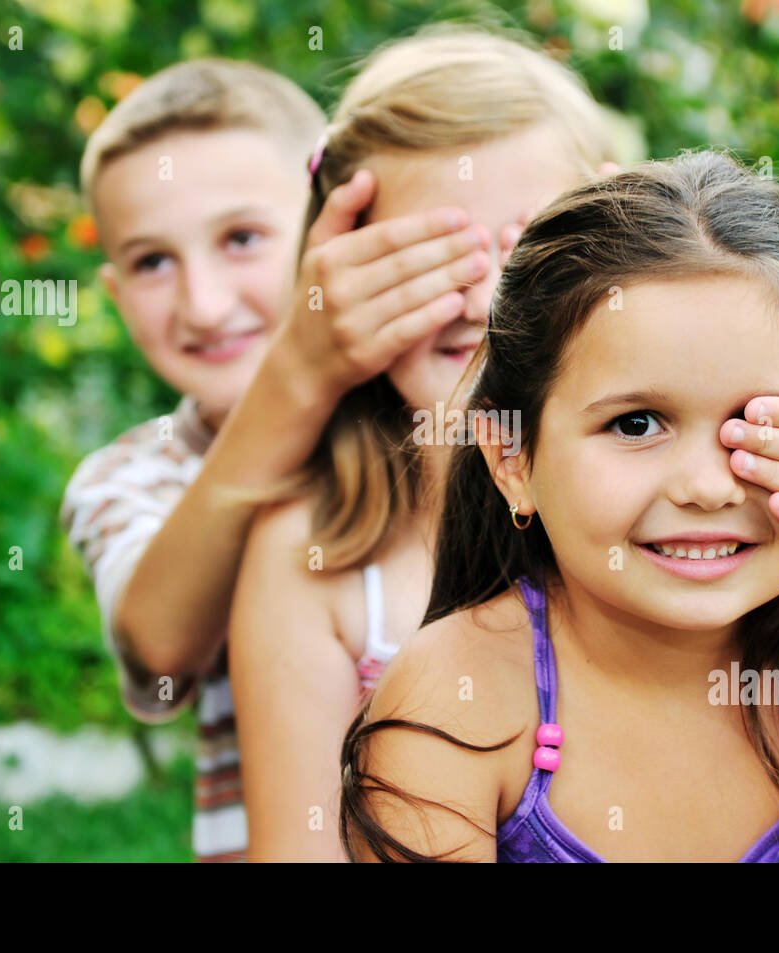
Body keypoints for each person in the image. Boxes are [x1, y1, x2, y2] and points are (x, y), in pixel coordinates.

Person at [229, 30, 779, 862]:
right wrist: (296, 367)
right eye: (426, 256)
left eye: (529, 245)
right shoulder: (401, 640)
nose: (488, 294)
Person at [339, 151, 779, 862]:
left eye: (753, 419)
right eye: (636, 423)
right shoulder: (456, 701)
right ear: (512, 458)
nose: (709, 486)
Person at [60, 57, 483, 860]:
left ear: (335, 233)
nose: (205, 302)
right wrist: (303, 368)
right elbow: (158, 647)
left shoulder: (428, 419)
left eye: (243, 238)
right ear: (115, 294)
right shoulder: (131, 473)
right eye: (153, 261)